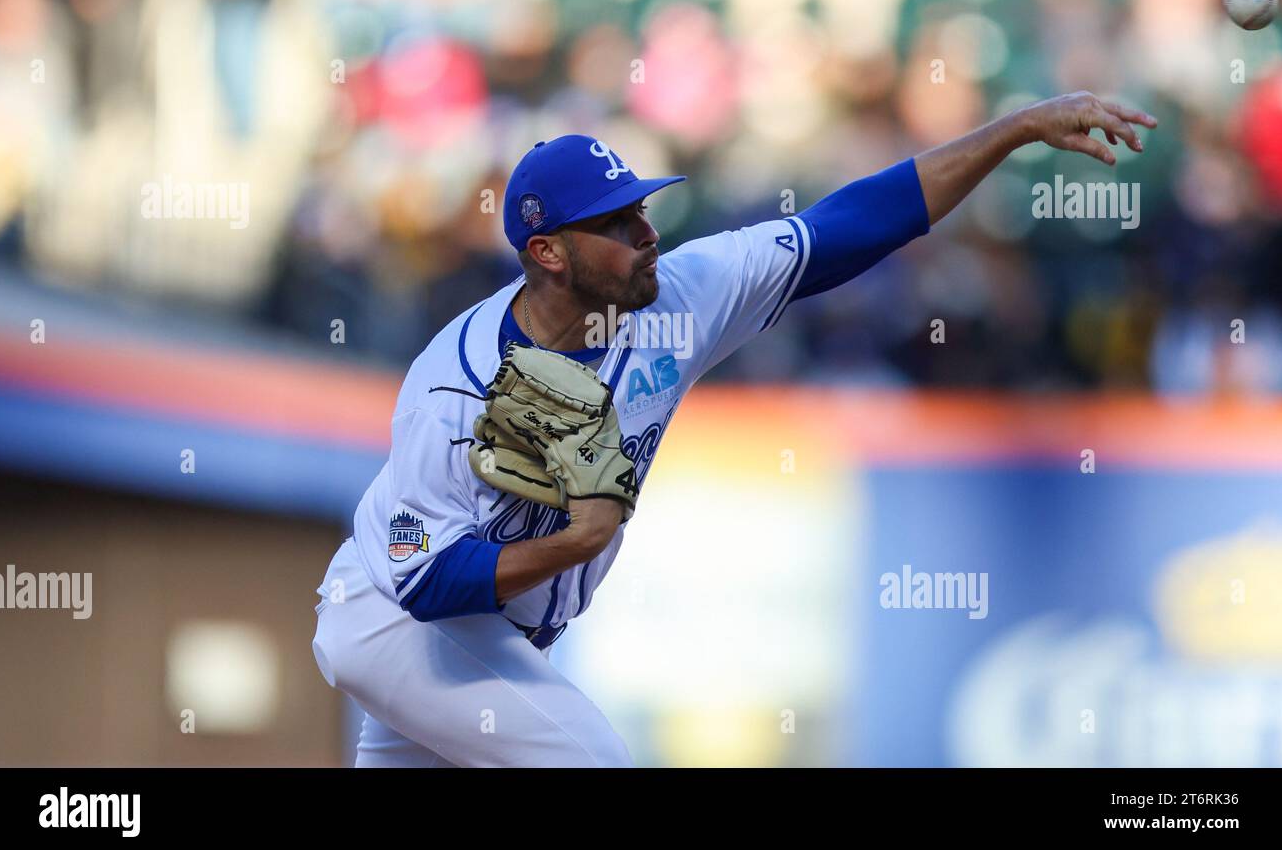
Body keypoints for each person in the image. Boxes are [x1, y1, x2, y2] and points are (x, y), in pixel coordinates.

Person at [311, 91, 1157, 766]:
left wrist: (1012, 131)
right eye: (615, 223)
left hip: (481, 632)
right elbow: (424, 584)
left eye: (640, 209)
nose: (646, 233)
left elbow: (848, 227)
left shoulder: (676, 297)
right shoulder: (452, 386)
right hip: (393, 620)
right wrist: (578, 539)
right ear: (548, 254)